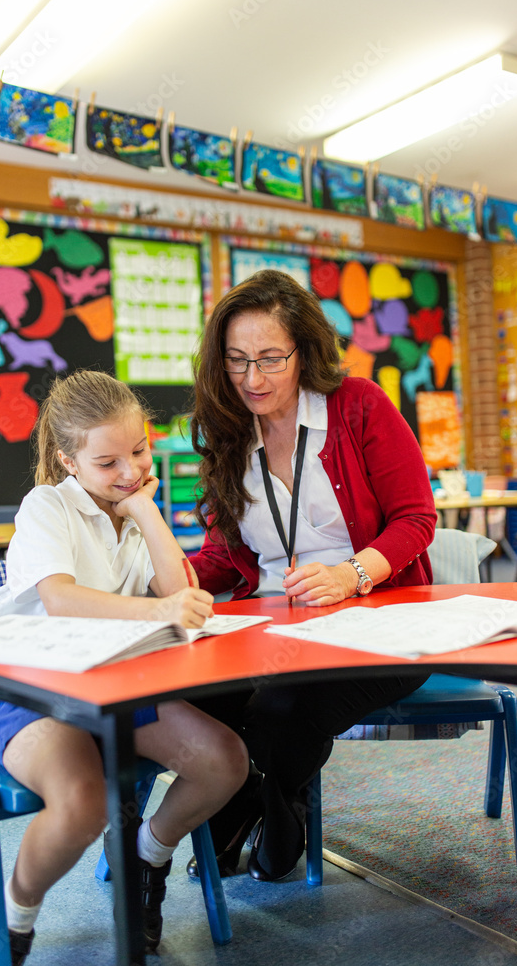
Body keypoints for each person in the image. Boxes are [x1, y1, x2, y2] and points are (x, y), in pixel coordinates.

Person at [0, 369, 248, 963]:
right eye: (107, 463)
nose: (129, 472)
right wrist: (160, 608)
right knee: (84, 803)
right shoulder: (48, 506)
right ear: (67, 461)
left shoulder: (130, 508)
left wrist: (148, 515)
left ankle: (147, 856)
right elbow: (62, 600)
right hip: (26, 686)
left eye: (139, 450)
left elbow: (187, 600)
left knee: (223, 760)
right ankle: (16, 919)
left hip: (110, 682)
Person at [186, 269, 437, 883]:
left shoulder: (358, 406)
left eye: (270, 359)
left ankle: (259, 805)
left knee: (282, 704)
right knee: (196, 694)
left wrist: (352, 574)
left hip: (381, 623)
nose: (251, 378)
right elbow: (228, 556)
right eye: (237, 360)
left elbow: (416, 518)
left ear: (306, 351)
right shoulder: (228, 430)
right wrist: (157, 575)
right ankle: (263, 798)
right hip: (270, 626)